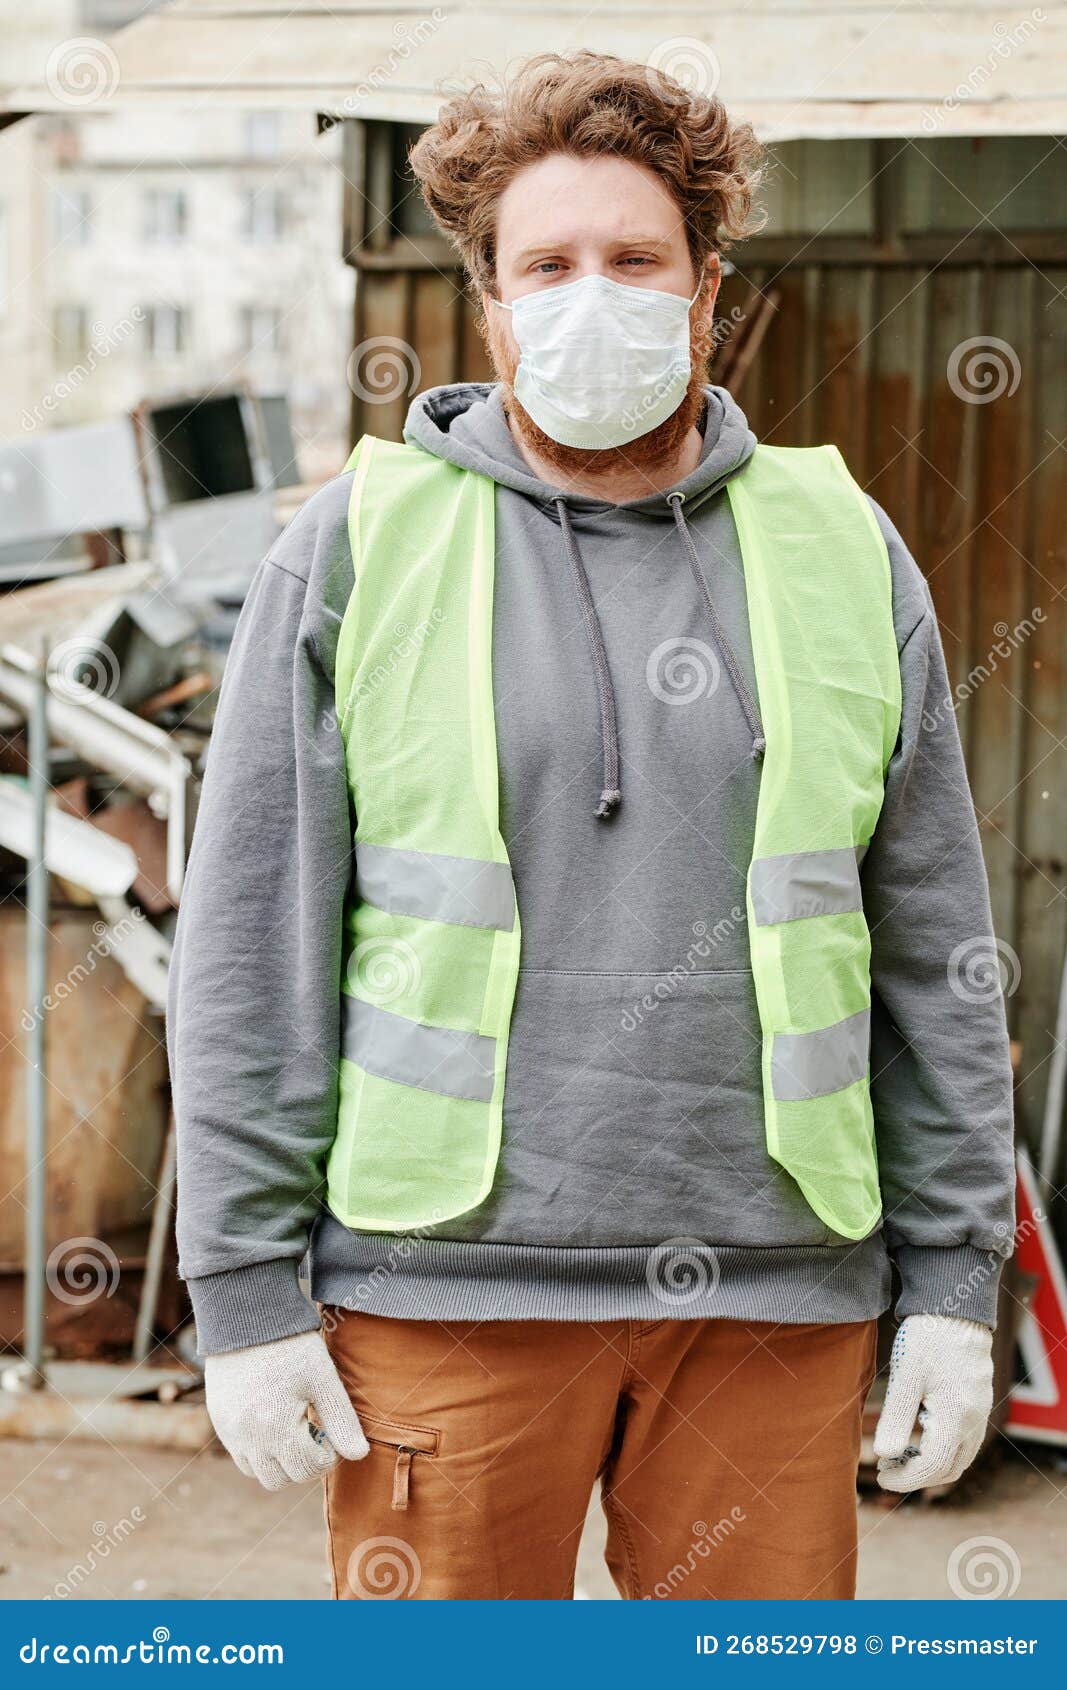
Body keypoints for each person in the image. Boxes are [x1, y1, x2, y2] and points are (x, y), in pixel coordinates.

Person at [170, 51, 1015, 1601]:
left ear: (710, 290)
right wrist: (241, 1285)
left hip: (776, 1299)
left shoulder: (843, 548)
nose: (593, 298)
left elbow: (933, 943)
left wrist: (961, 1280)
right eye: (546, 265)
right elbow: (248, 951)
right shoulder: (360, 544)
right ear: (487, 301)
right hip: (441, 1301)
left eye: (636, 260)